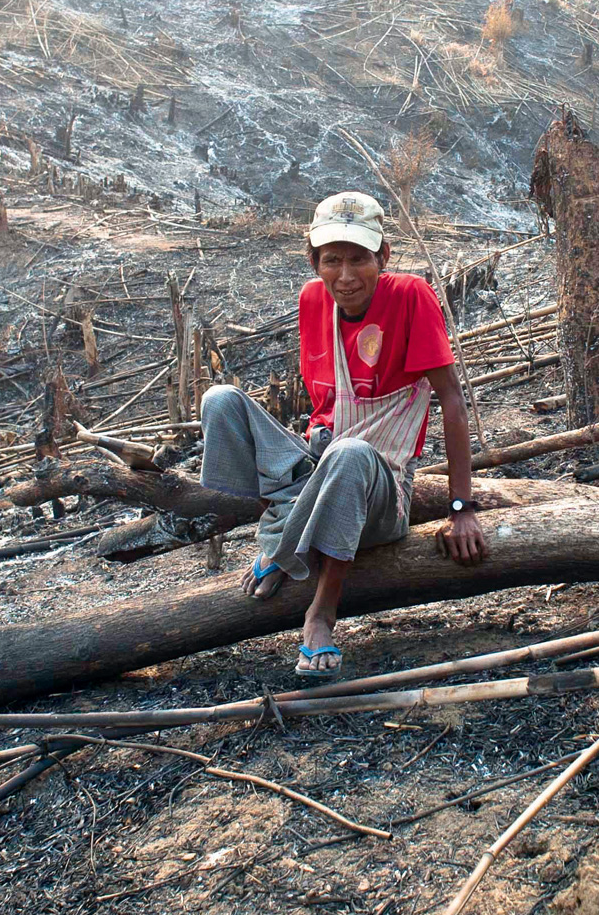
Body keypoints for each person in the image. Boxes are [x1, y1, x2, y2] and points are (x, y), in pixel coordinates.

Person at [199, 191, 487, 677]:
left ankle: (321, 612)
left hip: (380, 485)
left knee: (351, 452)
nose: (346, 275)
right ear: (314, 260)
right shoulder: (313, 300)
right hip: (319, 466)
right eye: (332, 260)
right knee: (221, 401)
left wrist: (462, 509)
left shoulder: (411, 296)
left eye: (360, 259)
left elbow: (452, 401)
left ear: (384, 257)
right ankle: (278, 537)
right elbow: (324, 406)